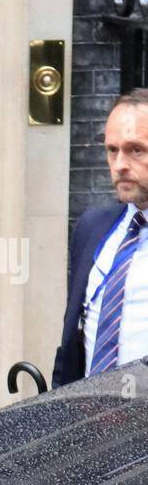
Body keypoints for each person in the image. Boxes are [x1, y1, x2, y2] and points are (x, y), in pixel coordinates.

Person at [52, 89, 148, 387]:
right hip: (93, 421)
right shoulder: (92, 228)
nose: (120, 164)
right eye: (112, 150)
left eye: (136, 150)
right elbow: (72, 340)